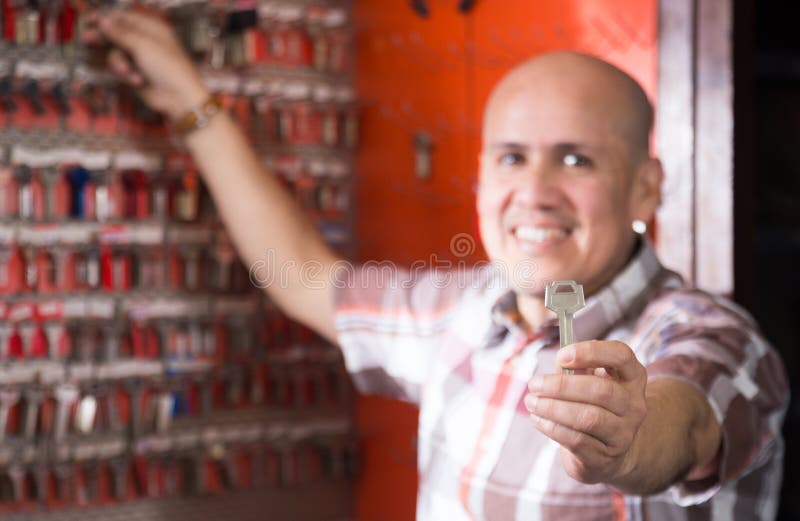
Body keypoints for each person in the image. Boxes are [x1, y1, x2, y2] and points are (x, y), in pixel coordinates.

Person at [84, 9, 788, 520]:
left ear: (645, 187)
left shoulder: (711, 334)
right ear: (481, 180)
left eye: (576, 158)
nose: (535, 191)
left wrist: (626, 439)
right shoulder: (464, 312)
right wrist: (191, 105)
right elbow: (299, 276)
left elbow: (689, 419)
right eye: (513, 156)